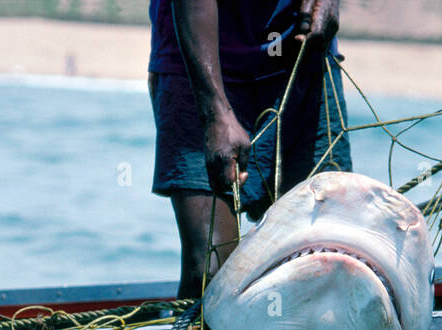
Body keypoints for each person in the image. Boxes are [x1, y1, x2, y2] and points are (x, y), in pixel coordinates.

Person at [149, 0, 352, 299]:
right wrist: (215, 113)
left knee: (321, 263)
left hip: (302, 56)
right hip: (201, 63)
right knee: (212, 275)